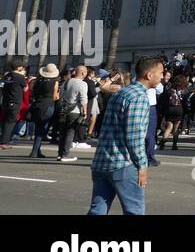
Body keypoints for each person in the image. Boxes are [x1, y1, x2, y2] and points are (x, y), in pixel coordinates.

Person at [88, 57, 163, 215]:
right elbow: (134, 135)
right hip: (123, 163)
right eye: (160, 73)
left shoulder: (121, 92)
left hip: (102, 160)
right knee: (134, 211)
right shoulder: (139, 97)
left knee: (97, 210)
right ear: (149, 75)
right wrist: (142, 165)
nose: (162, 76)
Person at [56, 65, 90, 162]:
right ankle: (65, 155)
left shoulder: (66, 82)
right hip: (74, 110)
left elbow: (61, 95)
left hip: (64, 110)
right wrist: (85, 112)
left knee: (62, 132)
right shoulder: (82, 84)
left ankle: (60, 154)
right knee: (70, 132)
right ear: (83, 73)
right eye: (86, 72)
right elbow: (84, 100)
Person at [27, 63, 59, 159]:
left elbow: (34, 93)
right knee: (42, 129)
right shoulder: (54, 82)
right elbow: (54, 97)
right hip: (48, 105)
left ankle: (37, 150)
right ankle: (35, 151)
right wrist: (58, 96)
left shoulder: (38, 81)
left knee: (38, 128)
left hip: (37, 105)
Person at [0, 65, 27, 148]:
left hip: (5, 101)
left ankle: (3, 140)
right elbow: (25, 89)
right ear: (19, 68)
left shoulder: (7, 76)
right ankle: (4, 142)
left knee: (5, 121)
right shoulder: (19, 77)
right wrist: (23, 76)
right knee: (10, 122)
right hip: (15, 101)